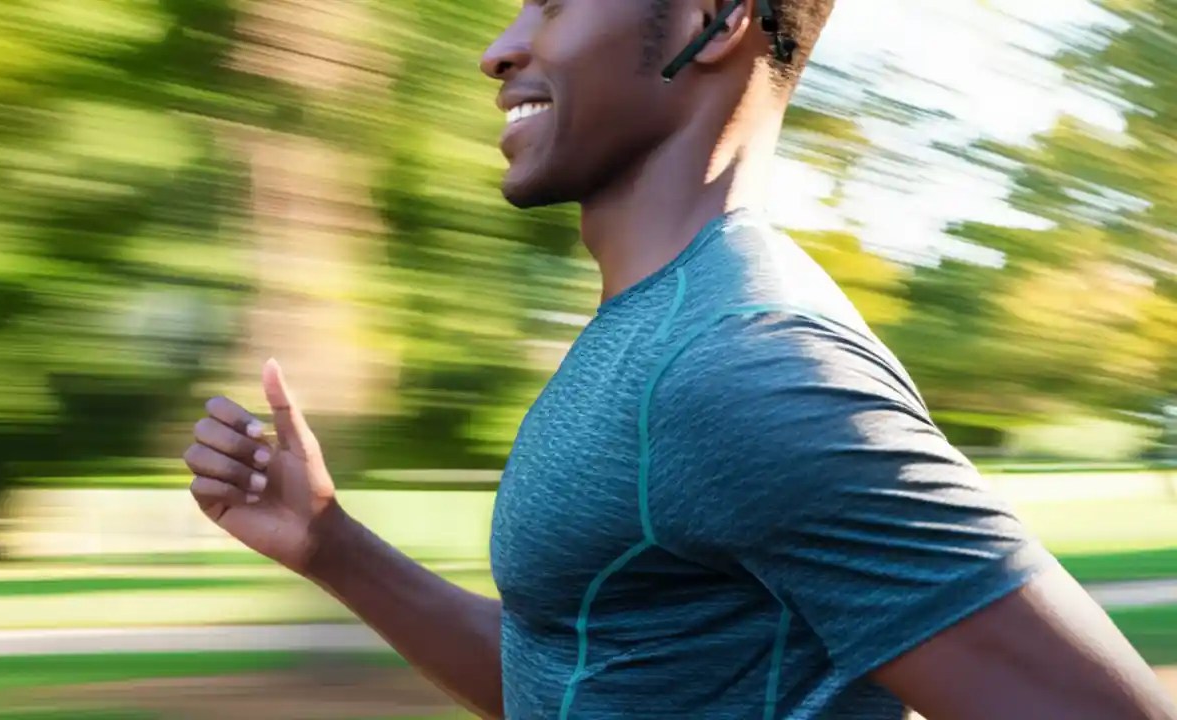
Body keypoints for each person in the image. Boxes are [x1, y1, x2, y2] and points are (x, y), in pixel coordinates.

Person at [182, 1, 1177, 718]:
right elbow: (581, 682)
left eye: (554, 2)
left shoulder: (746, 369)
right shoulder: (651, 337)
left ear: (716, 18)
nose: (500, 48)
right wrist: (331, 547)